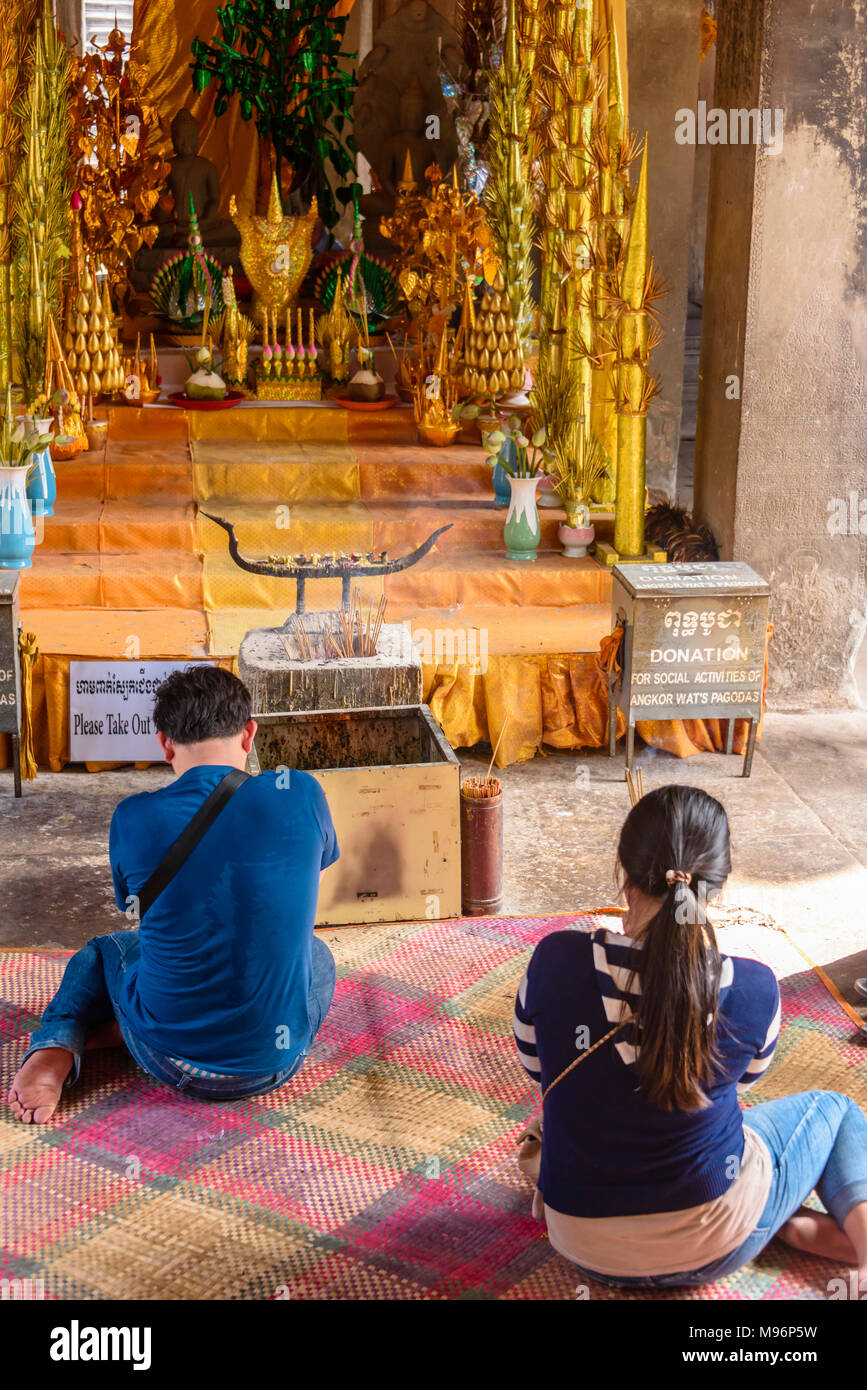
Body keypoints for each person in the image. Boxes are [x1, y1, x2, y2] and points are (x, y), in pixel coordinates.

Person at [513, 783, 867, 1289]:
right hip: (716, 1241)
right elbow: (739, 1089)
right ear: (717, 886)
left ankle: (789, 1224)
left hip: (580, 1242)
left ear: (624, 872)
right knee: (836, 1111)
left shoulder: (555, 961)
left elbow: (537, 1066)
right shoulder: (754, 988)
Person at [8, 666, 339, 1123]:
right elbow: (300, 895)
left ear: (164, 743)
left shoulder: (134, 816)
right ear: (249, 734)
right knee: (316, 955)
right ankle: (138, 1028)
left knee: (106, 951)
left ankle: (60, 1040)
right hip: (275, 1063)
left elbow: (136, 909)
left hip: (166, 1058)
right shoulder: (301, 791)